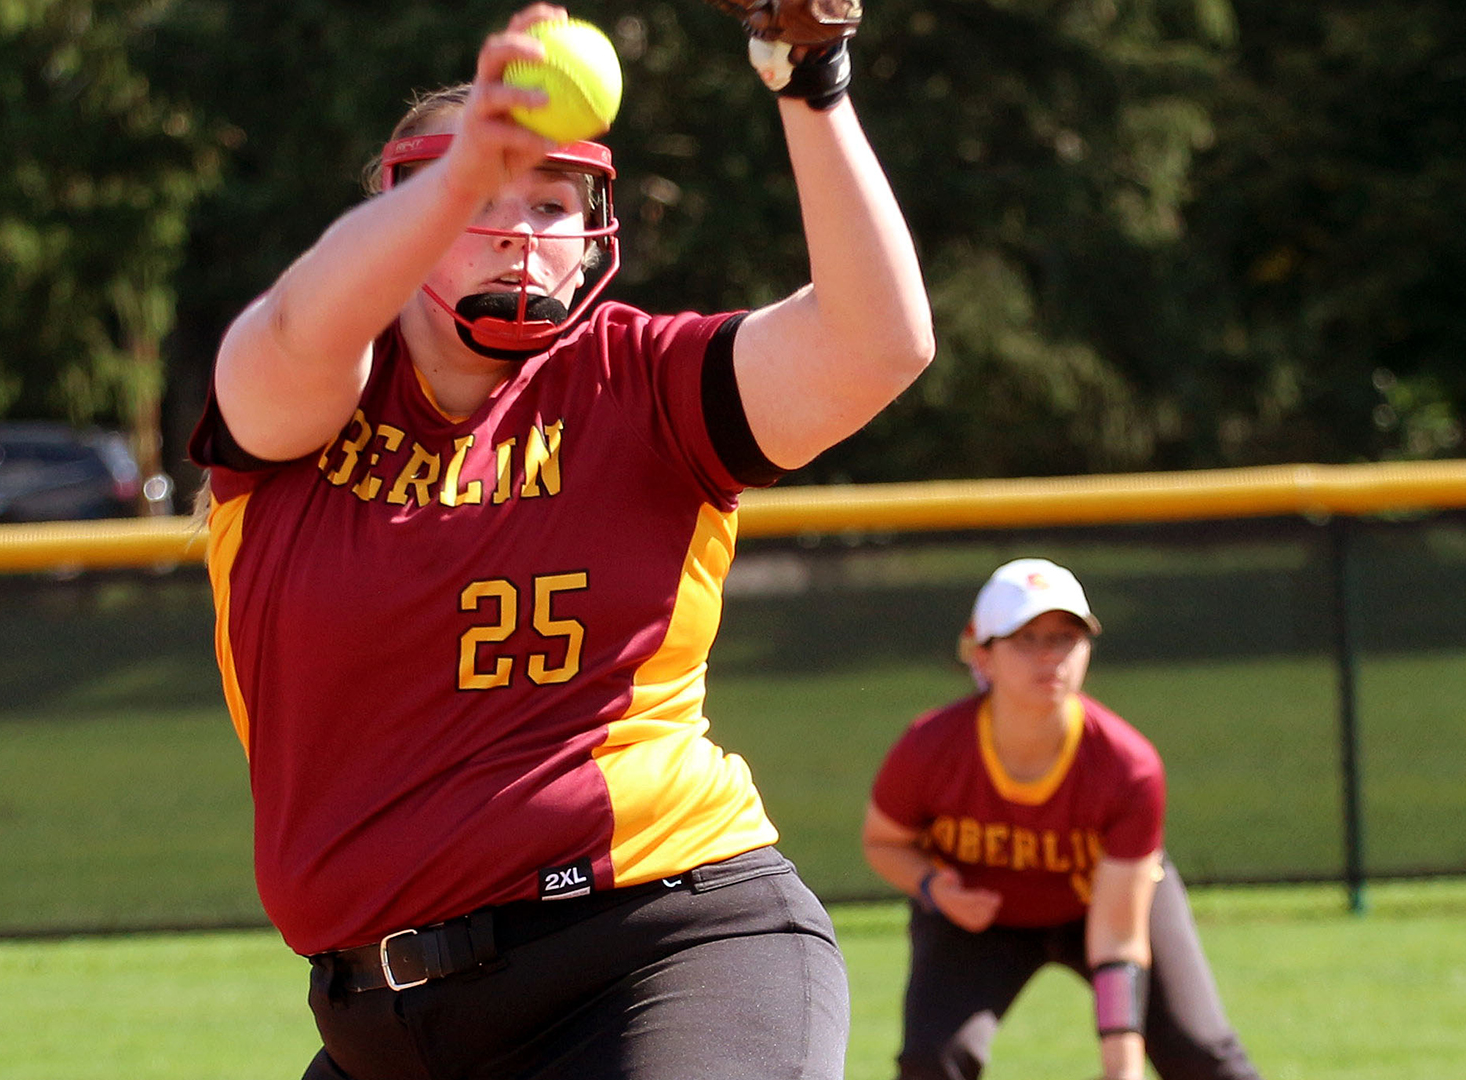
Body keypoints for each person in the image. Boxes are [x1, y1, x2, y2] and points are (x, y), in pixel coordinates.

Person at [190, 4, 934, 1077]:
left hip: (655, 949)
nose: (519, 227)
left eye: (550, 202)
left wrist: (809, 78)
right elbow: (299, 329)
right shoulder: (307, 404)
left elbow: (878, 345)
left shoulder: (637, 382)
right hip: (379, 1031)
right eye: (482, 197)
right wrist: (458, 175)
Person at [861, 558, 1263, 1080]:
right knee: (931, 1061)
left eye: (1066, 638)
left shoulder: (1127, 766)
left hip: (1101, 903)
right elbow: (883, 843)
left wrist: (1121, 1067)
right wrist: (935, 889)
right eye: (1026, 639)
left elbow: (1118, 937)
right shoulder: (931, 748)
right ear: (983, 654)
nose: (1049, 656)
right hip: (980, 916)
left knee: (1200, 1052)